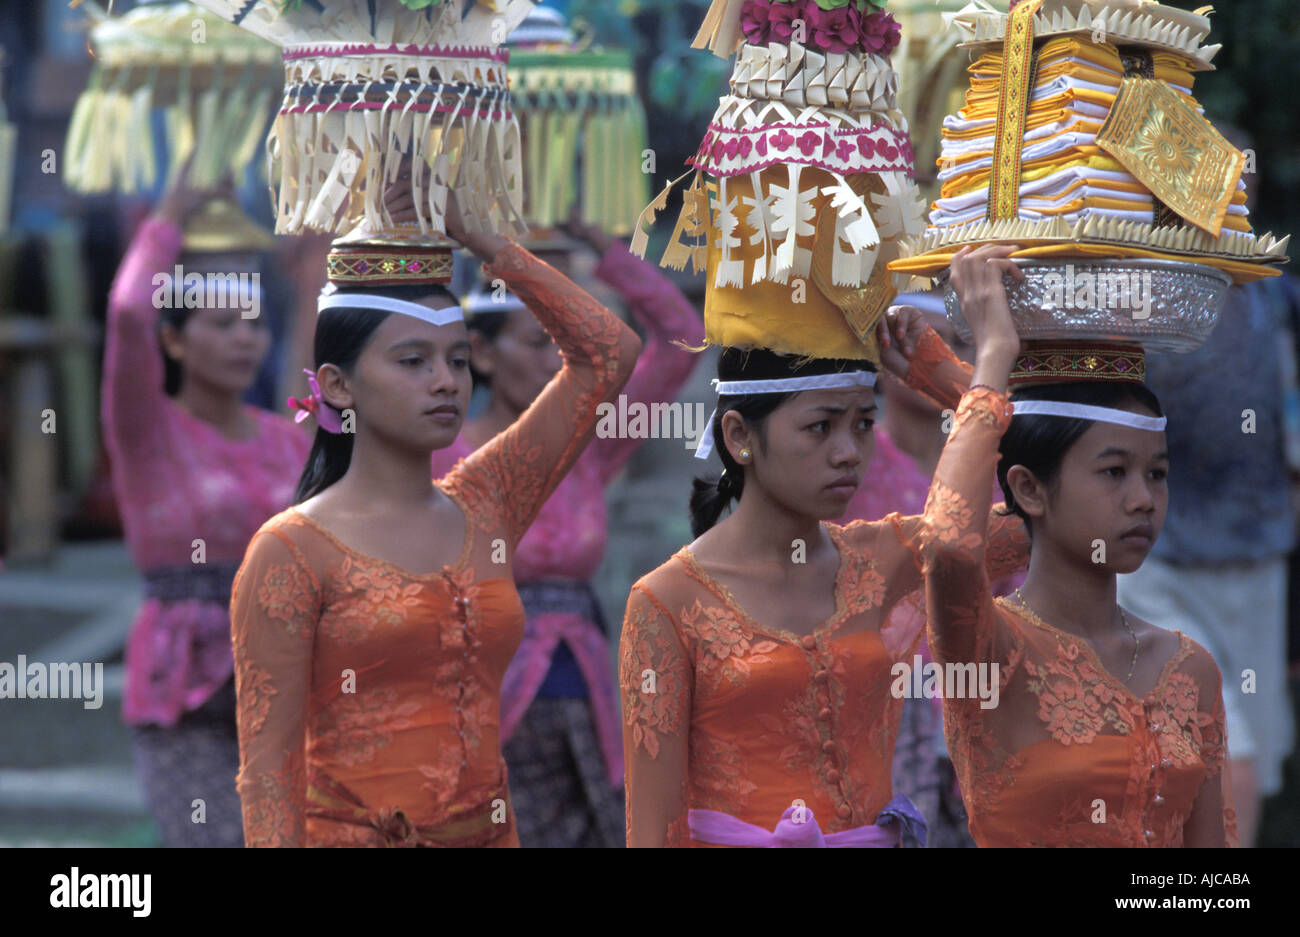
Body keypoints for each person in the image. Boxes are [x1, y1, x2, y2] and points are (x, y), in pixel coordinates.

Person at [228, 190, 641, 847]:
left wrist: (491, 245)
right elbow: (268, 778)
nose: (446, 381)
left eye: (455, 359)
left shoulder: (487, 501)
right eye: (413, 361)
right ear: (337, 385)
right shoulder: (290, 552)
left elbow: (608, 354)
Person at [618, 306, 1030, 847]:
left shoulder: (886, 559)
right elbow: (652, 831)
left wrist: (943, 378)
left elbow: (1051, 505)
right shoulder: (666, 600)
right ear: (740, 435)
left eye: (862, 424)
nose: (849, 453)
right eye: (820, 426)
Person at [921, 244, 1236, 847]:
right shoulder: (988, 650)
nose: (1144, 498)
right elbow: (948, 545)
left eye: (1158, 473)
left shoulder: (1189, 667)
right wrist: (991, 358)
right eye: (1114, 472)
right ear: (1028, 490)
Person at [432, 218, 701, 847]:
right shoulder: (439, 461)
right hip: (478, 709)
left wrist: (601, 246)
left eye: (568, 345)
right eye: (537, 341)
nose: (560, 361)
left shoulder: (587, 448)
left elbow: (682, 335)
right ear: (484, 351)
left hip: (586, 704)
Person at [103, 173, 309, 847]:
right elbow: (131, 313)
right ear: (176, 341)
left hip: (286, 686)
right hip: (180, 690)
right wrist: (167, 217)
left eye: (253, 323)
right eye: (222, 324)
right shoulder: (148, 431)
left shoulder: (284, 440)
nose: (245, 340)